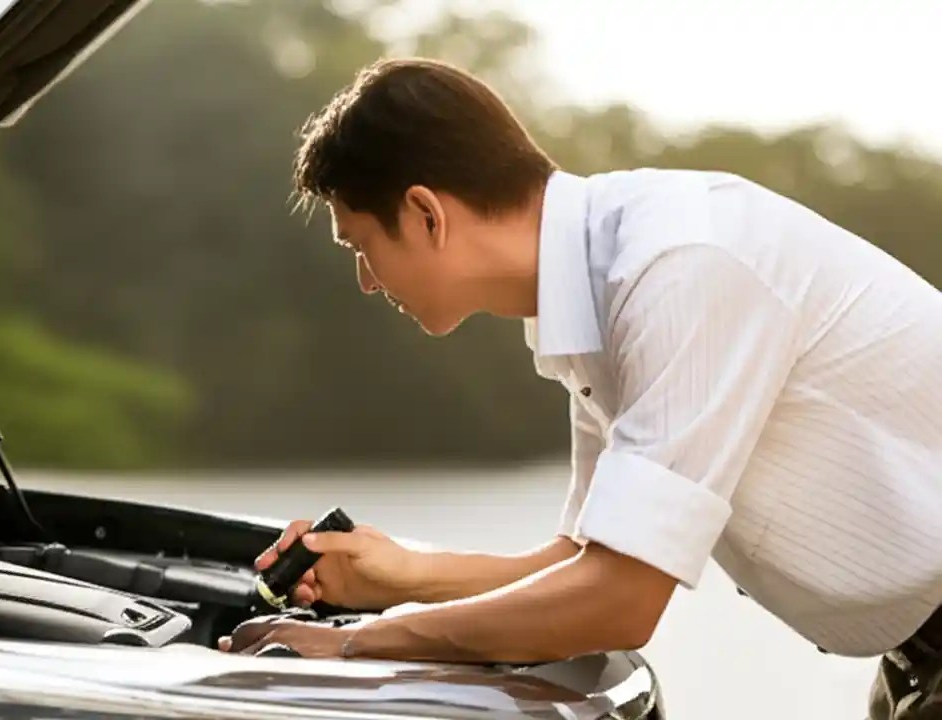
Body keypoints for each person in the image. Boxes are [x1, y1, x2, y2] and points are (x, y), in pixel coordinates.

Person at [216, 57, 942, 719]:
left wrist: (358, 645)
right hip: (916, 661)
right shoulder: (594, 290)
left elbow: (618, 602)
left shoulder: (677, 266)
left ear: (426, 214)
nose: (367, 282)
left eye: (361, 248)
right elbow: (587, 560)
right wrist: (403, 573)